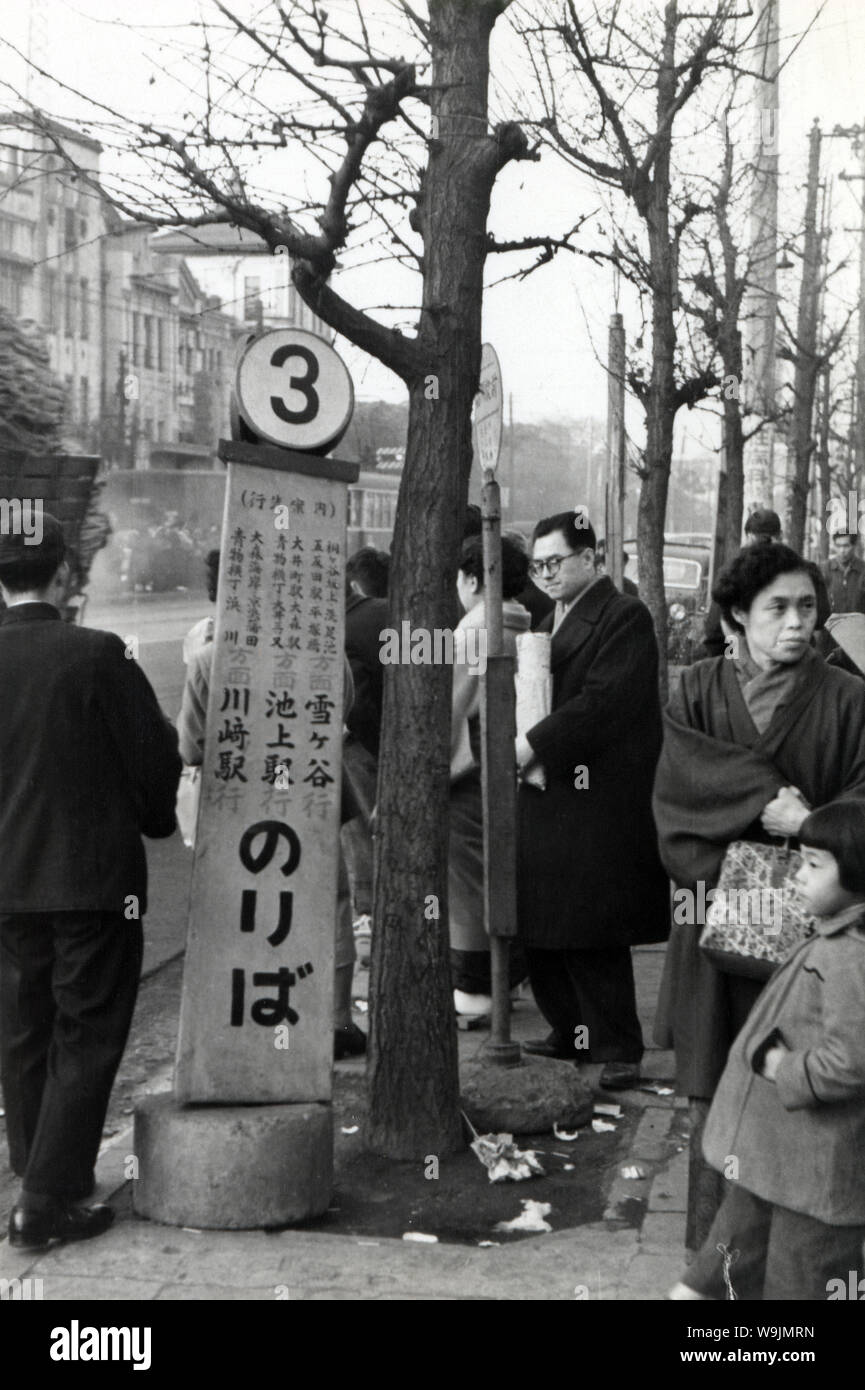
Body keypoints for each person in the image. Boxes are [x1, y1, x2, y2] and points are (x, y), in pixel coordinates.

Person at [653, 542, 865, 1249]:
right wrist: (763, 800)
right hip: (718, 914)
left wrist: (809, 825)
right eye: (776, 608)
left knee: (801, 1087)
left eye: (807, 606)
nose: (796, 623)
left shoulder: (848, 698)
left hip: (817, 926)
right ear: (737, 615)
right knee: (716, 1081)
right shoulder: (696, 689)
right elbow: (679, 786)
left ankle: (788, 1258)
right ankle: (712, 1259)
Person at [0, 515, 181, 1248]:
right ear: (68, 577)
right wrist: (157, 819)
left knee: (21, 1024)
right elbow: (152, 756)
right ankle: (45, 1203)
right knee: (87, 1027)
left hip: (7, 882)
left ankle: (39, 1167)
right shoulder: (97, 654)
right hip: (92, 878)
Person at [669, 800, 865, 1301]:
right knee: (732, 1254)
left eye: (814, 865)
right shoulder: (833, 936)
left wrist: (783, 1067)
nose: (797, 876)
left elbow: (852, 1063)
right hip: (780, 1156)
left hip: (821, 1175)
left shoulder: (850, 957)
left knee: (801, 1282)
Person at [516, 511, 670, 1090]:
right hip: (550, 785)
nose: (546, 574)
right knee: (545, 922)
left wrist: (529, 744)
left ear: (591, 557)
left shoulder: (624, 615)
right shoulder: (544, 616)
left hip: (597, 791)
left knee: (594, 927)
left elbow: (603, 705)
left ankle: (617, 1045)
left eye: (556, 562)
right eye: (538, 566)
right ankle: (570, 1031)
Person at [177, 632, 364, 1060]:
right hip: (309, 790)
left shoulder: (208, 659)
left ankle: (248, 1018)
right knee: (329, 901)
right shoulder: (325, 648)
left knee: (245, 906)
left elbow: (191, 747)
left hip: (240, 806)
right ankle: (334, 1020)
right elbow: (342, 710)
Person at [449, 535, 531, 1017]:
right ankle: (509, 978)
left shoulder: (473, 632)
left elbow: (453, 709)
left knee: (468, 882)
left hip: (471, 767)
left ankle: (475, 992)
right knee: (502, 869)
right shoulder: (523, 622)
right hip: (511, 761)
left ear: (475, 579)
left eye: (461, 578)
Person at [701, 508, 829, 658]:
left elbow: (715, 630)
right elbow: (821, 617)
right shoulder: (802, 571)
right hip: (791, 661)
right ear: (779, 536)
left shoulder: (734, 573)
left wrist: (735, 659)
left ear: (748, 537)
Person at [820, 530, 865, 617]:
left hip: (859, 625)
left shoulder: (863, 569)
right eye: (838, 546)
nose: (842, 550)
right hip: (831, 625)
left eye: (846, 546)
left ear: (854, 546)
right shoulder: (825, 569)